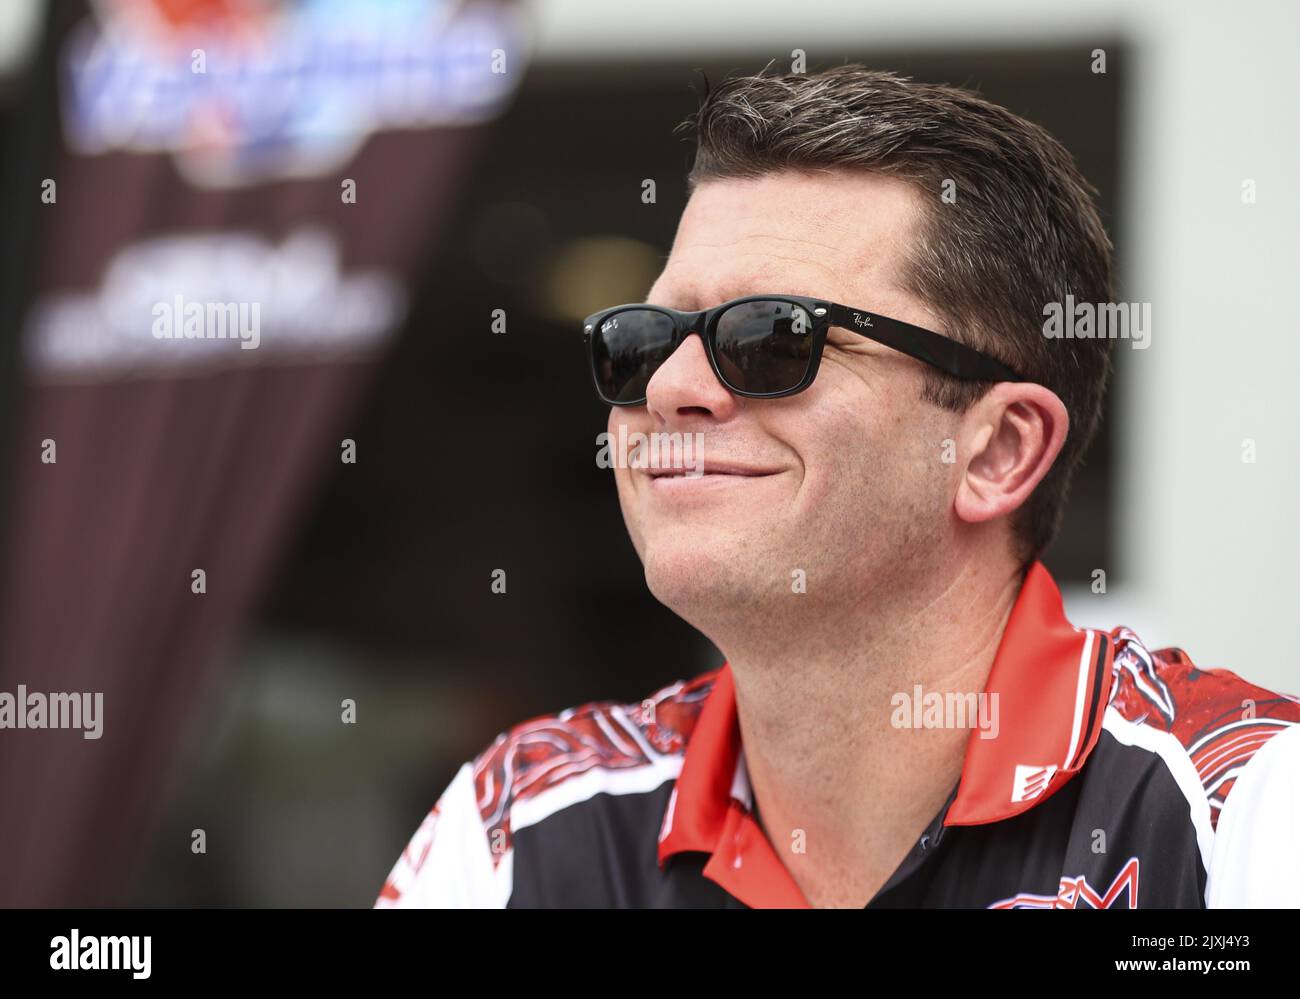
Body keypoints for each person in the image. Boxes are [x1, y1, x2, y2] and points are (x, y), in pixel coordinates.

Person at [375, 65, 1300, 908]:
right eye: (641, 342)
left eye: (773, 340)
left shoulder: (1245, 812)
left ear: (998, 452)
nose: (665, 391)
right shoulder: (517, 831)